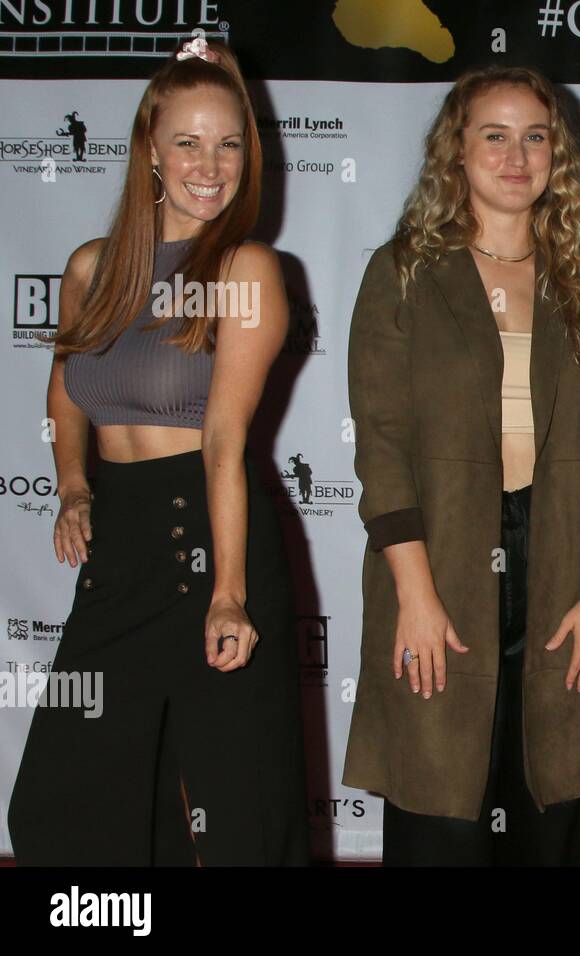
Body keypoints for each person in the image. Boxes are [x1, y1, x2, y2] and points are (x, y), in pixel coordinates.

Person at [8, 36, 309, 865]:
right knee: (61, 806)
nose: (210, 165)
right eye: (188, 141)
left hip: (206, 535)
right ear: (150, 149)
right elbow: (67, 396)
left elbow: (223, 441)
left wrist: (229, 593)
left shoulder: (246, 269)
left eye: (230, 143)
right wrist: (73, 489)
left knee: (232, 808)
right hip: (120, 551)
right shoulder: (91, 268)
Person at [342, 66, 580, 866]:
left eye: (535, 136)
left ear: (558, 155)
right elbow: (381, 441)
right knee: (444, 803)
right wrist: (414, 592)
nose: (518, 155)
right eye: (495, 135)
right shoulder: (403, 272)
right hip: (438, 558)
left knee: (561, 797)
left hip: (565, 558)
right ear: (457, 151)